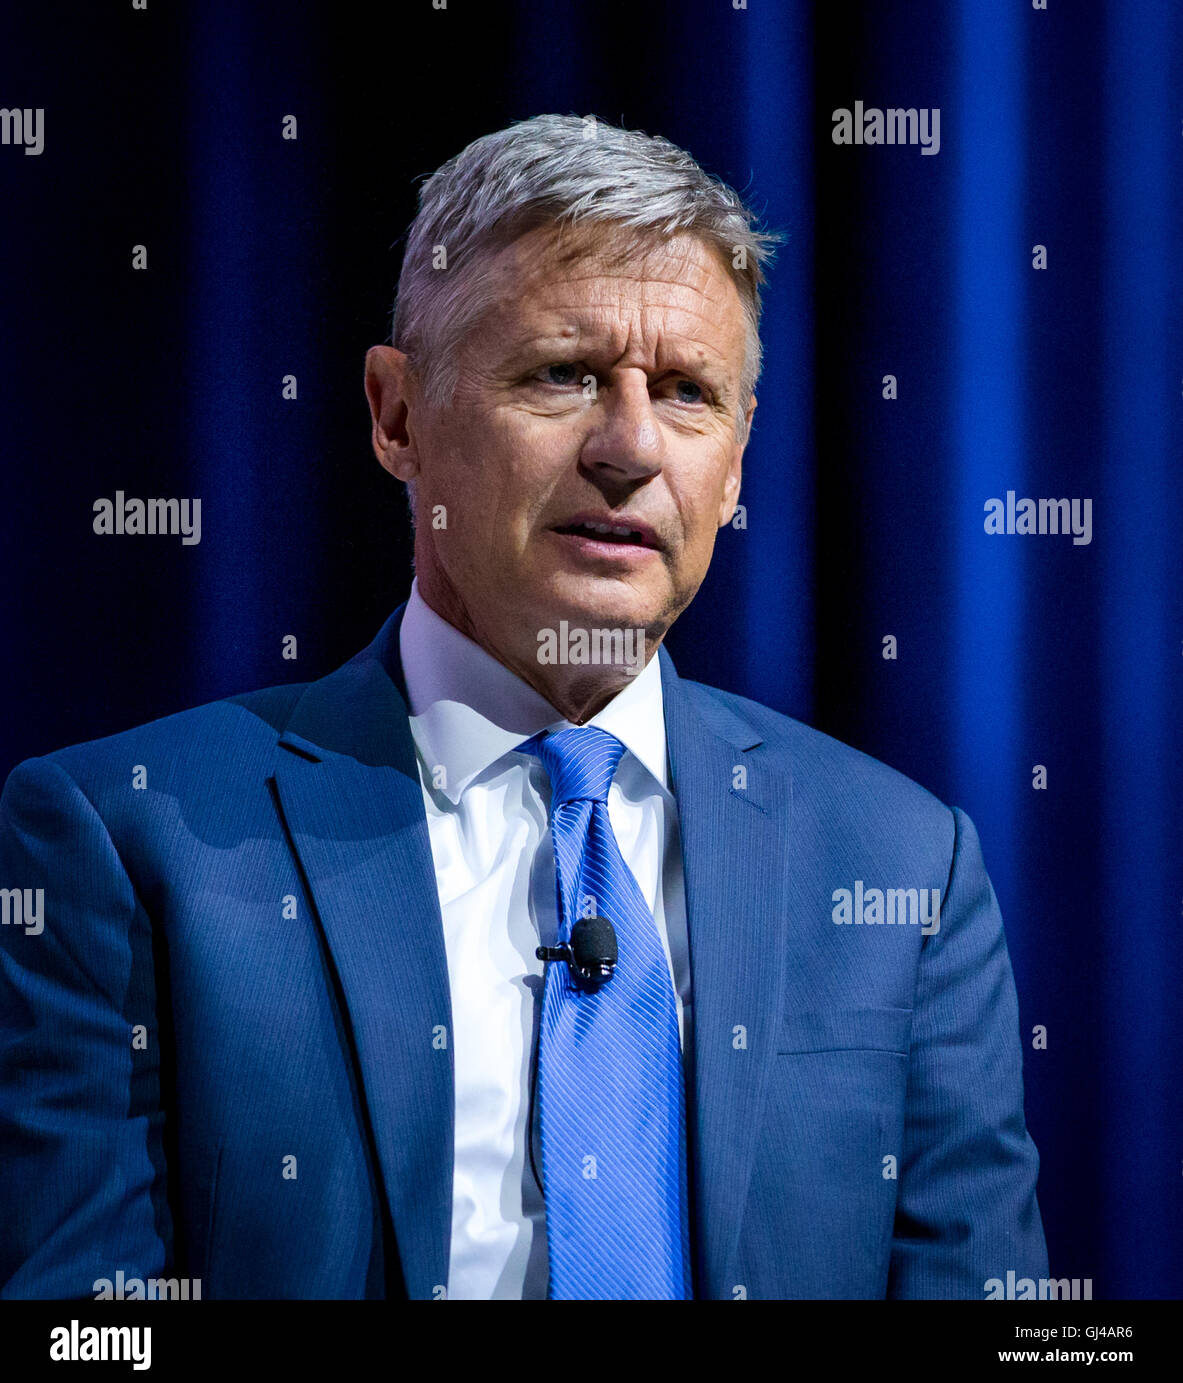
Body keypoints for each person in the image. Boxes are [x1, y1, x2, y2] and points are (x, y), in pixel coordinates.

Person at [0, 114, 1046, 1300]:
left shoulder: (907, 865)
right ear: (397, 416)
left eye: (690, 393)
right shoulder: (132, 839)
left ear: (739, 462)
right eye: (564, 374)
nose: (631, 445)